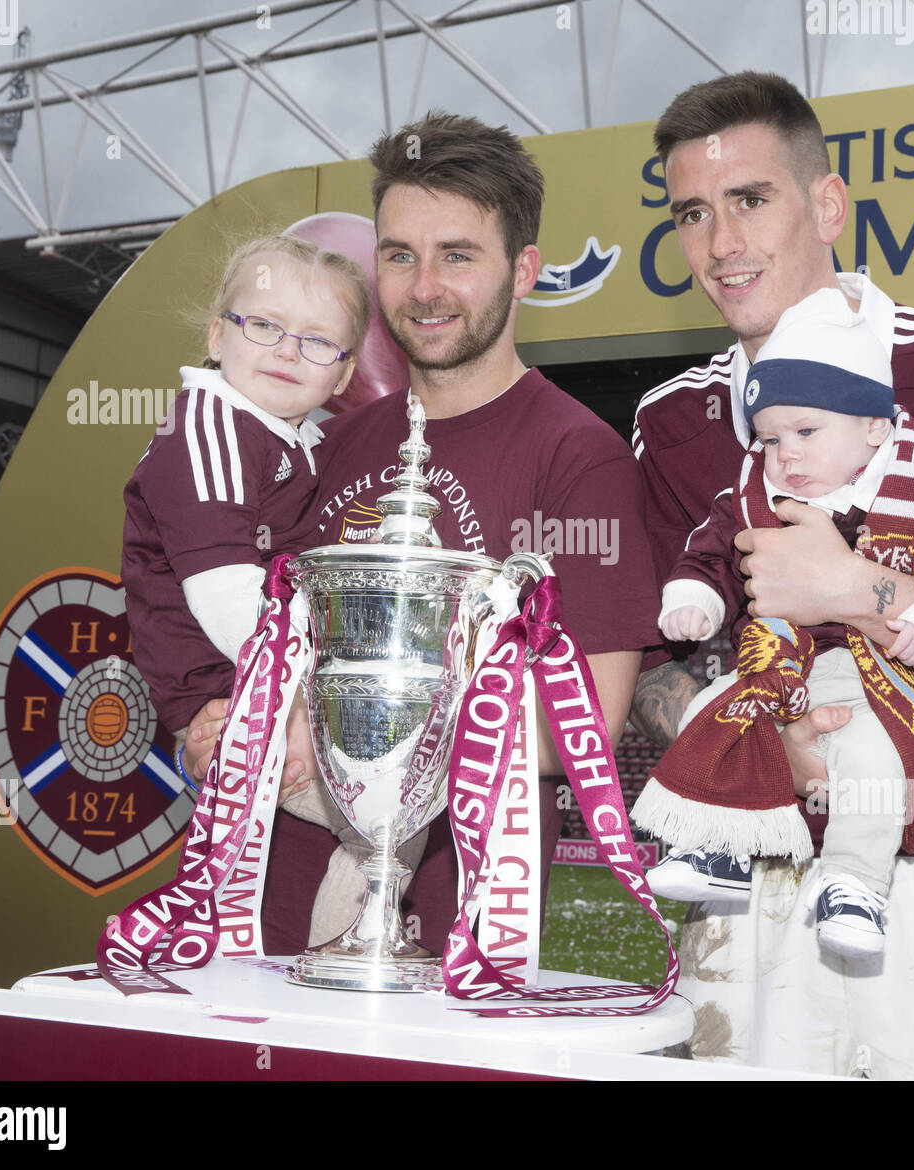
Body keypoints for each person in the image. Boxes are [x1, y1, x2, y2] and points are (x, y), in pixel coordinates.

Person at [628, 71, 914, 1078]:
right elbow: (659, 675)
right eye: (691, 214)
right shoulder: (670, 421)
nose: (720, 244)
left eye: (751, 199)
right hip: (745, 885)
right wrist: (769, 746)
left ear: (827, 204)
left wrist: (864, 596)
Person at [185, 113, 660, 956]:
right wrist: (225, 722)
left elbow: (574, 729)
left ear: (523, 271)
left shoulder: (579, 457)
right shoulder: (328, 445)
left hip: (452, 940)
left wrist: (333, 720)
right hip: (258, 916)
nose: (424, 287)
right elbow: (248, 632)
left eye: (458, 255)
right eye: (400, 255)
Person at [634, 292, 914, 961]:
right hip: (774, 658)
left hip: (875, 672)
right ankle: (717, 849)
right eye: (771, 437)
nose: (785, 454)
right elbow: (707, 553)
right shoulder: (752, 494)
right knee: (708, 707)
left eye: (807, 432)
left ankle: (856, 883)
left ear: (874, 426)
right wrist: (697, 597)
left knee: (872, 758)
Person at [123, 234, 368, 775]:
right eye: (263, 325)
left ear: (344, 374)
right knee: (387, 797)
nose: (287, 350)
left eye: (319, 340)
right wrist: (322, 690)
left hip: (265, 674)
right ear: (217, 335)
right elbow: (225, 594)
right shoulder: (208, 425)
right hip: (227, 690)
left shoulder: (298, 438)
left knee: (396, 800)